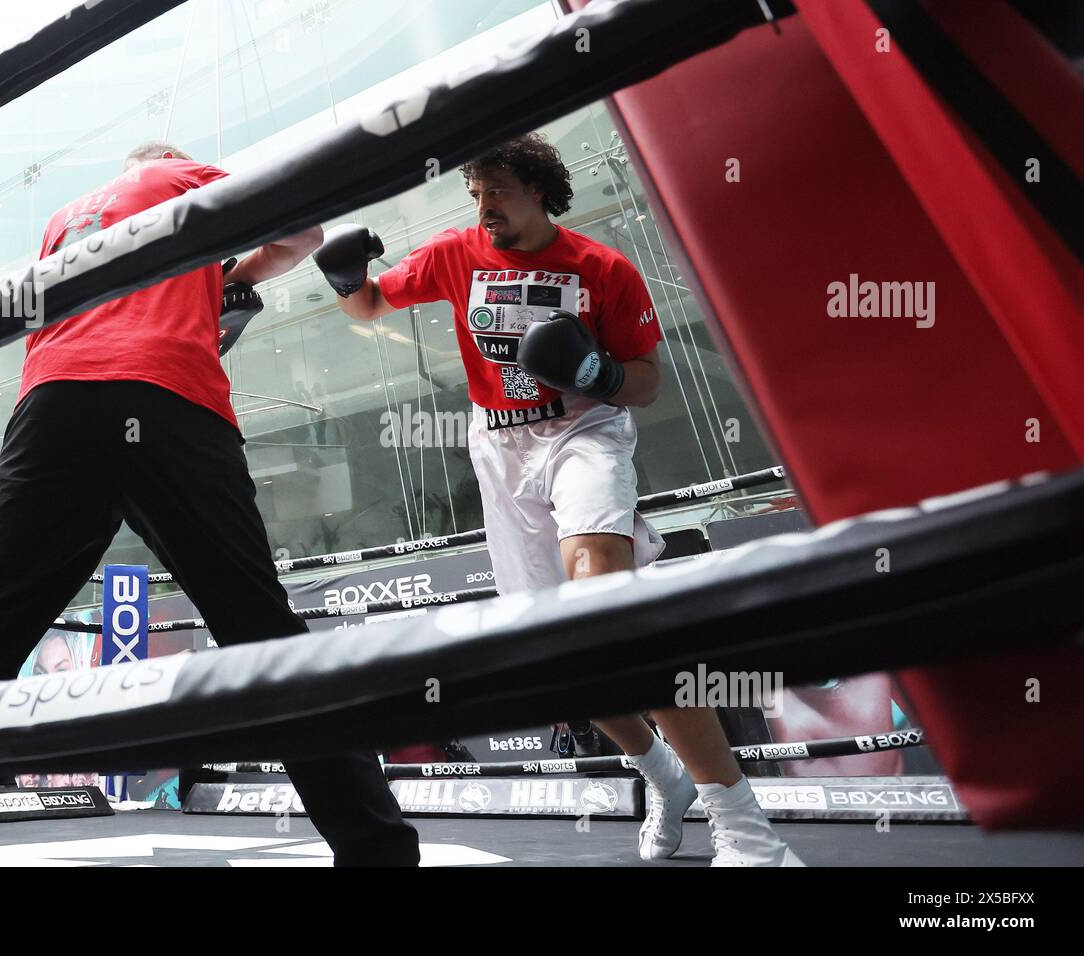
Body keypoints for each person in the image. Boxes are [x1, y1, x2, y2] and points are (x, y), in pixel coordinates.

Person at [0, 142, 419, 867]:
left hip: (54, 404)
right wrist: (235, 270)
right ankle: (378, 853)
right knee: (264, 633)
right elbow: (301, 234)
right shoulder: (180, 176)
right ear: (169, 159)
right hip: (167, 395)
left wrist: (209, 281)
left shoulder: (66, 218)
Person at [315, 132, 800, 866]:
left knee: (611, 617)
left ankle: (747, 831)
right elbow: (370, 307)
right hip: (499, 448)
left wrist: (597, 373)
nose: (485, 209)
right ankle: (664, 778)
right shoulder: (454, 254)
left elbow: (646, 383)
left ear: (539, 188)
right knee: (562, 657)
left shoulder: (602, 268)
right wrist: (347, 277)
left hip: (586, 433)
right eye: (475, 195)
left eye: (498, 193)